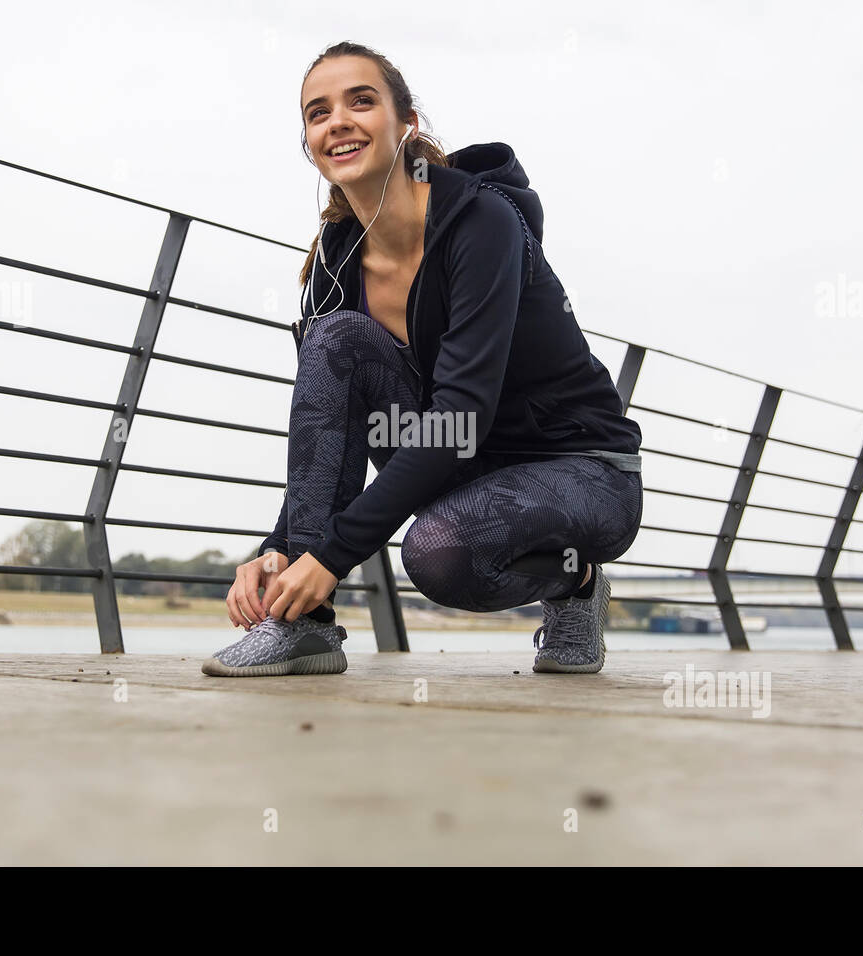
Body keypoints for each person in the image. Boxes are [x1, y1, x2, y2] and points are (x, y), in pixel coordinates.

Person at [202, 41, 643, 678]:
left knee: (438, 555)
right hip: (468, 471)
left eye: (361, 101)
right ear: (309, 141)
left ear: (406, 122)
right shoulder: (337, 259)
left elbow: (461, 414)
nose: (338, 122)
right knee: (334, 341)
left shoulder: (482, 221)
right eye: (317, 113)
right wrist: (283, 549)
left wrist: (330, 557)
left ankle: (574, 587)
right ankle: (303, 630)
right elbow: (330, 429)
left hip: (584, 471)